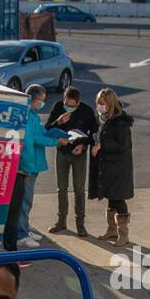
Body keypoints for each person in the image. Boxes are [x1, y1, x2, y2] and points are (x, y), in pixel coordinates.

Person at [4, 83, 67, 251]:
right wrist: (56, 141)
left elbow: (40, 134)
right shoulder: (26, 114)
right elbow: (35, 139)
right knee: (23, 201)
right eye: (41, 100)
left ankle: (24, 229)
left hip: (33, 163)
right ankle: (21, 235)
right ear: (32, 99)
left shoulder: (32, 114)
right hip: (27, 165)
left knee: (27, 201)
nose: (42, 104)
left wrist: (55, 128)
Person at [46, 86, 97, 237]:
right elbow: (47, 129)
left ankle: (80, 224)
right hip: (62, 152)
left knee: (79, 190)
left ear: (78, 102)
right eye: (67, 103)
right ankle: (61, 221)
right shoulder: (58, 107)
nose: (69, 107)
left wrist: (84, 145)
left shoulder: (86, 111)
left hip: (79, 155)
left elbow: (93, 132)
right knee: (61, 188)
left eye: (72, 105)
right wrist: (58, 121)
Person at [88, 87, 135, 247]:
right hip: (107, 166)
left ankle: (123, 234)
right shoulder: (102, 119)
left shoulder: (120, 121)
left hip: (118, 168)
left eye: (103, 104)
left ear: (110, 103)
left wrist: (102, 145)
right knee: (111, 198)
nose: (100, 107)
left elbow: (123, 146)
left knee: (119, 198)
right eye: (98, 103)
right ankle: (112, 229)